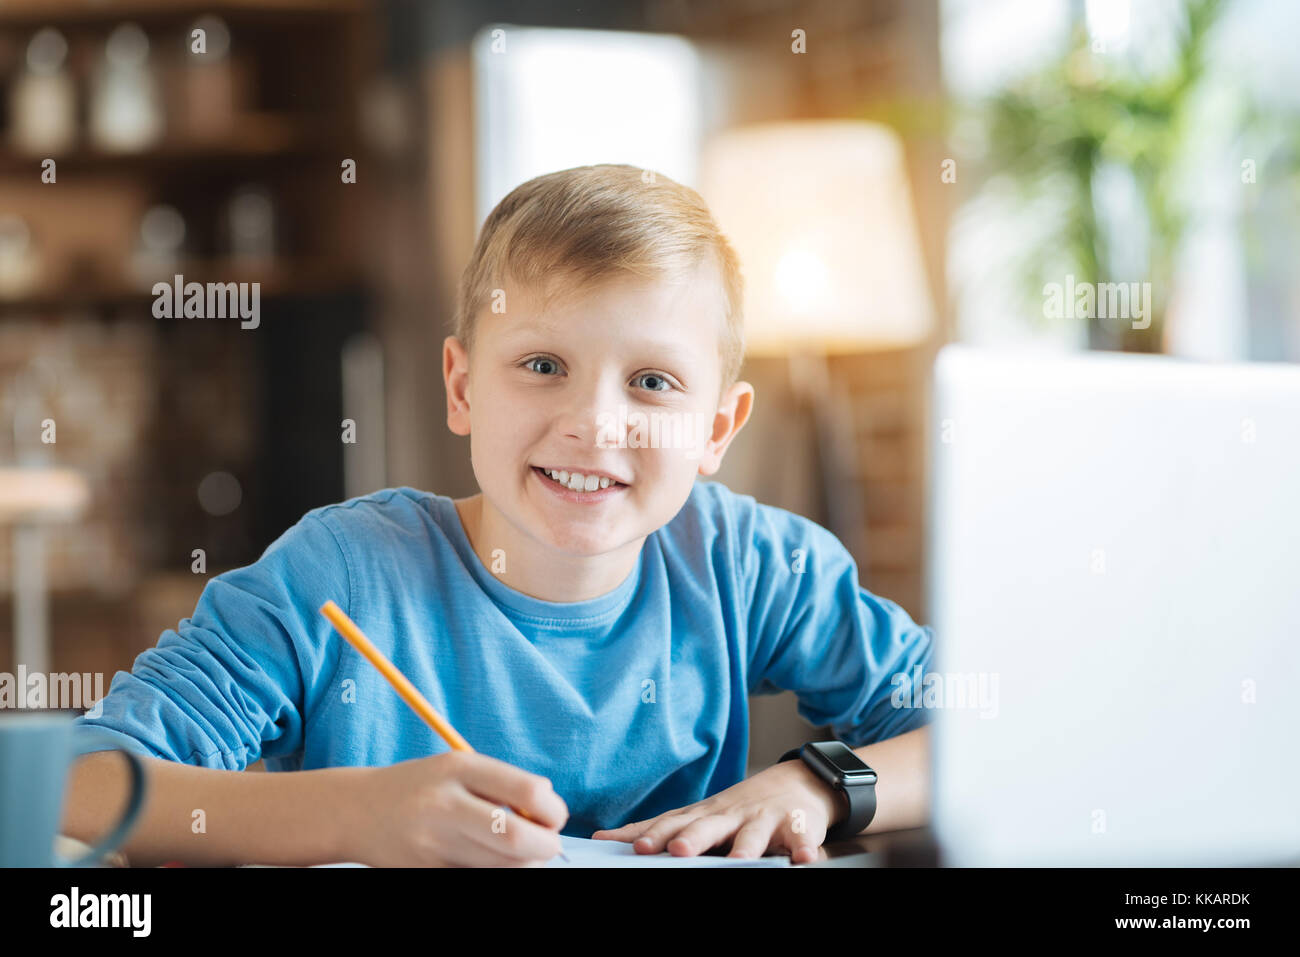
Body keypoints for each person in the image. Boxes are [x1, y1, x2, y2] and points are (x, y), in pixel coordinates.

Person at [63, 164, 934, 867]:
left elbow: (985, 731)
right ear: (462, 386)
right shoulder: (341, 572)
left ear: (715, 429)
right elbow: (81, 781)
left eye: (652, 381)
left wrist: (822, 784)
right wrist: (357, 817)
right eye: (544, 363)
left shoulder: (750, 564)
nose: (595, 422)